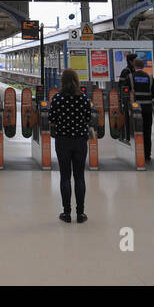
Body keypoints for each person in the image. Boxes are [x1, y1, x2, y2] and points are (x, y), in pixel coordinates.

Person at [48, 68, 92, 223]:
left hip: (63, 141)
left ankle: (66, 213)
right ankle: (80, 213)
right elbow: (88, 117)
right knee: (79, 177)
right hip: (80, 140)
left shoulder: (58, 98)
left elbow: (51, 117)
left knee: (65, 177)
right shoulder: (83, 98)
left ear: (62, 81)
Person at [131, 57, 154, 161]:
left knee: (137, 132)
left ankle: (138, 153)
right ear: (143, 66)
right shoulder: (150, 78)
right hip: (147, 109)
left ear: (134, 66)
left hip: (135, 110)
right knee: (147, 131)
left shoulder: (131, 77)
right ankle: (147, 154)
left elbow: (126, 92)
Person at [118, 53, 136, 137]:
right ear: (130, 61)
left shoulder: (134, 70)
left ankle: (132, 132)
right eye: (135, 60)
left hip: (133, 99)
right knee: (127, 116)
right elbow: (121, 86)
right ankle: (128, 134)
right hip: (127, 99)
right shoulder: (126, 71)